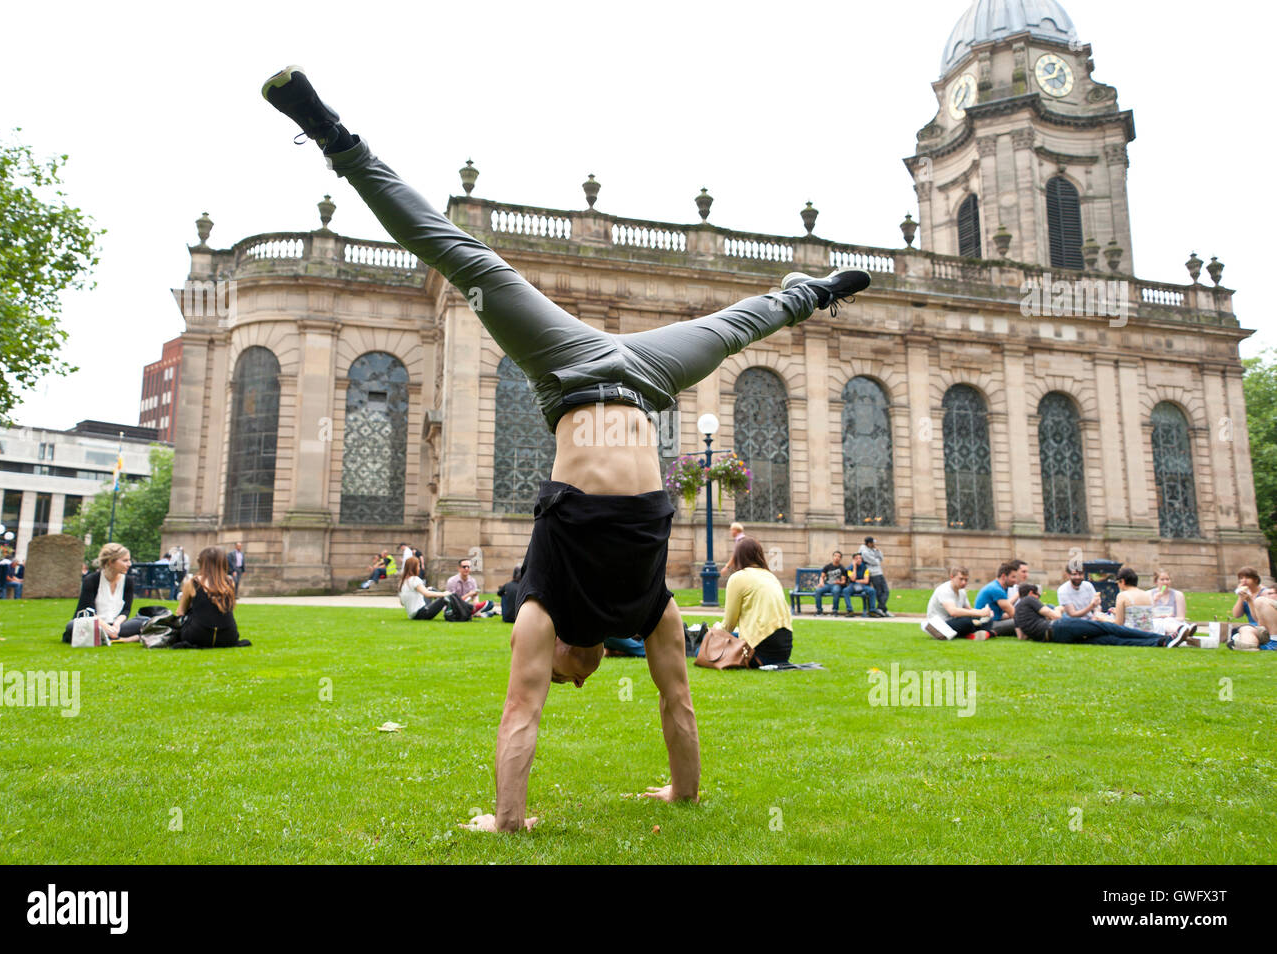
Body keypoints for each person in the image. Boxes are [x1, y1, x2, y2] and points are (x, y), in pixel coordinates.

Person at [263, 65, 868, 832]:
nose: (572, 683)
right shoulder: (656, 615)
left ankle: (334, 139)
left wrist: (506, 820)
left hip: (569, 373)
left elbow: (522, 714)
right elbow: (677, 702)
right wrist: (682, 793)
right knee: (733, 328)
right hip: (645, 383)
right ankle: (806, 292)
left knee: (467, 260)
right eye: (570, 676)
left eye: (563, 679)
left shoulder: (541, 612)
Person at [1012, 583, 1193, 647]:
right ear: (1031, 594)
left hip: (1055, 638)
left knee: (1110, 640)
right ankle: (1163, 637)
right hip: (1060, 626)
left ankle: (1161, 642)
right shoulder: (1029, 600)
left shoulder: (1017, 613)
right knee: (1110, 628)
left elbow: (1021, 637)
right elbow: (1055, 615)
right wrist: (1058, 608)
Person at [705, 537, 793, 666]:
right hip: (783, 650)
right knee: (733, 635)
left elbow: (728, 625)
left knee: (702, 648)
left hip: (760, 653)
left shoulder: (738, 577)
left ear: (738, 556)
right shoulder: (770, 576)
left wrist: (714, 630)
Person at [167, 547, 250, 648]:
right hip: (228, 636)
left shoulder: (193, 582)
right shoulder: (230, 582)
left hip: (197, 635)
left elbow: (181, 611)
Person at [61, 543, 143, 643]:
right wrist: (107, 628)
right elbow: (87, 611)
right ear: (110, 562)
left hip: (117, 626)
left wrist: (116, 625)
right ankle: (119, 638)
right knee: (72, 625)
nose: (129, 564)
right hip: (94, 624)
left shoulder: (128, 581)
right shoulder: (91, 580)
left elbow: (126, 610)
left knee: (146, 621)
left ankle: (109, 637)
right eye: (125, 560)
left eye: (129, 560)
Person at [923, 567, 994, 639]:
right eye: (961, 579)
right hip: (941, 624)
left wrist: (984, 613)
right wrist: (979, 613)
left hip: (955, 620)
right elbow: (953, 612)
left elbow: (969, 610)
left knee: (988, 619)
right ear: (952, 577)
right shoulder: (944, 590)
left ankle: (974, 633)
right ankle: (984, 633)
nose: (964, 582)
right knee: (967, 622)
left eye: (966, 580)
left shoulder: (961, 591)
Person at [398, 555, 454, 621]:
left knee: (430, 589)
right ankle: (452, 612)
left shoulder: (402, 582)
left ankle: (450, 606)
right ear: (413, 567)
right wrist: (443, 593)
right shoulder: (414, 579)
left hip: (413, 615)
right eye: (418, 566)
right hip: (422, 613)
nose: (419, 568)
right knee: (445, 597)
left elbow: (402, 603)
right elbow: (427, 594)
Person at [973, 561, 1021, 636]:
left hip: (989, 622)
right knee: (1022, 621)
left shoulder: (999, 587)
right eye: (1013, 577)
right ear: (1004, 576)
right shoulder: (996, 589)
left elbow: (1002, 614)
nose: (1015, 580)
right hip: (986, 625)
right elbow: (1013, 613)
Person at [859, 536, 892, 616]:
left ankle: (882, 608)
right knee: (880, 591)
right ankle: (881, 609)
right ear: (869, 543)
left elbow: (881, 558)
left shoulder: (873, 549)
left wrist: (877, 551)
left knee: (885, 591)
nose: (874, 544)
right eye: (873, 543)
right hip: (873, 573)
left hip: (879, 572)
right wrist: (877, 559)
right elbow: (875, 562)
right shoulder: (864, 552)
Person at [842, 552, 879, 617]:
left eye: (860, 558)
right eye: (857, 558)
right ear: (853, 560)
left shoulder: (865, 568)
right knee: (845, 591)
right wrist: (854, 567)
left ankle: (872, 611)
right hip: (853, 586)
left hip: (863, 585)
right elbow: (853, 579)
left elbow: (866, 581)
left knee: (872, 591)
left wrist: (857, 580)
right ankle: (850, 611)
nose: (859, 560)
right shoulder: (849, 568)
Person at [813, 551, 846, 616]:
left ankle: (835, 611)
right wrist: (821, 583)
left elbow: (843, 581)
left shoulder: (842, 568)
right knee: (818, 591)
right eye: (835, 556)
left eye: (838, 556)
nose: (836, 558)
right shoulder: (827, 567)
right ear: (833, 557)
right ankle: (819, 611)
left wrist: (839, 582)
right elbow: (822, 577)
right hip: (827, 585)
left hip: (836, 585)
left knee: (836, 591)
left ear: (840, 558)